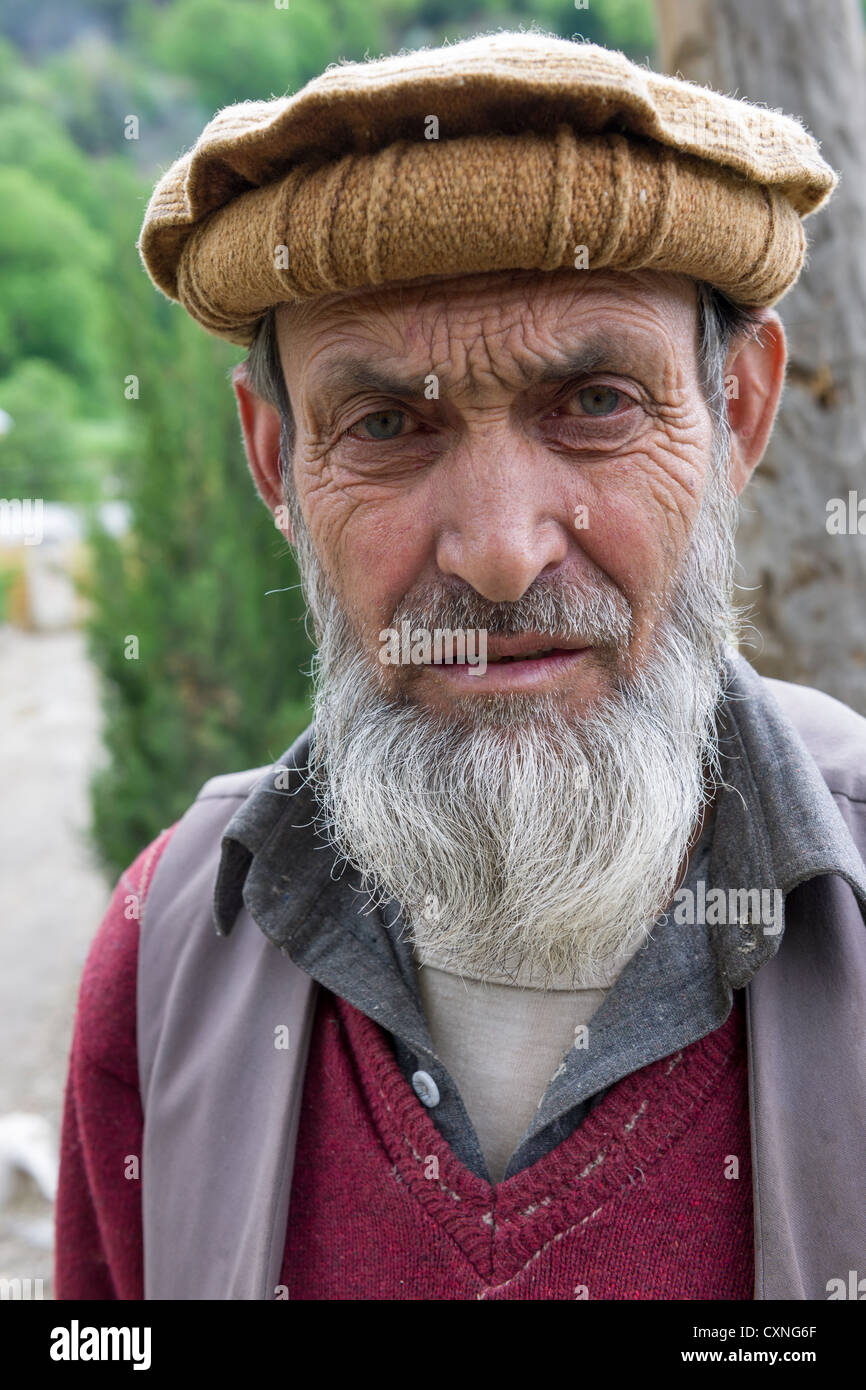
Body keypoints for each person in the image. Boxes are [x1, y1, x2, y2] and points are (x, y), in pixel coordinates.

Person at [56, 31, 866, 1301]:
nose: (497, 552)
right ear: (275, 460)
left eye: (594, 402)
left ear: (737, 413)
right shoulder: (168, 950)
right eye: (386, 424)